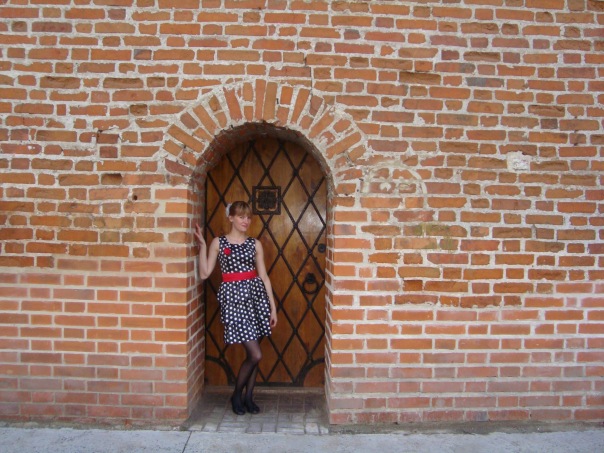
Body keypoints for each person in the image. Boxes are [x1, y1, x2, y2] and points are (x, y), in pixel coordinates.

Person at [194, 201, 278, 415]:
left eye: (248, 217)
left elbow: (264, 277)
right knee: (255, 354)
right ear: (230, 218)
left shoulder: (255, 244)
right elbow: (204, 273)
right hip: (234, 302)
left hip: (256, 299)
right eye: (241, 216)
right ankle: (236, 395)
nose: (245, 221)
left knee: (253, 353)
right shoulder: (219, 242)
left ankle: (248, 398)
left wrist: (273, 308)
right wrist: (202, 246)